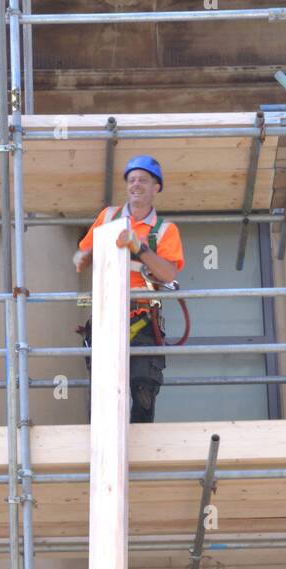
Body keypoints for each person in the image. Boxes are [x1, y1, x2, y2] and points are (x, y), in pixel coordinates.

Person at [74, 155, 185, 424]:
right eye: (132, 180)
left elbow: (168, 274)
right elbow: (81, 255)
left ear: (156, 187)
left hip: (143, 319)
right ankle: (102, 455)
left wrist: (140, 248)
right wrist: (85, 256)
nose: (136, 185)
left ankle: (141, 456)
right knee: (104, 395)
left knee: (143, 391)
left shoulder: (164, 231)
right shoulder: (108, 217)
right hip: (106, 318)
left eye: (143, 180)